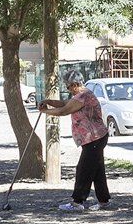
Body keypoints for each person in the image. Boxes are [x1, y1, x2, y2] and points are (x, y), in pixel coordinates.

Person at [39, 72, 111, 212]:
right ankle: (104, 200)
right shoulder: (81, 95)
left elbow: (64, 110)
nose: (68, 89)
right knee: (97, 170)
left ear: (75, 84)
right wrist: (49, 102)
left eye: (69, 86)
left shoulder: (83, 96)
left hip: (94, 138)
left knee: (83, 169)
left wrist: (46, 112)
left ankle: (77, 202)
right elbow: (66, 103)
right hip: (95, 137)